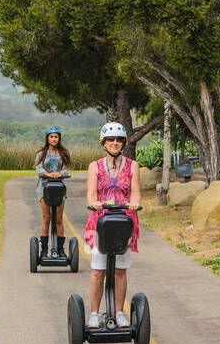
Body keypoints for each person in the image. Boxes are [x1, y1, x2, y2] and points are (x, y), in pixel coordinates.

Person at [85, 121, 142, 327]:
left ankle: (119, 312)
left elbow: (135, 194)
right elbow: (91, 195)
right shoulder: (95, 166)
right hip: (101, 222)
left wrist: (135, 203)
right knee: (98, 271)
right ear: (104, 142)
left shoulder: (132, 165)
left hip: (124, 223)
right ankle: (93, 313)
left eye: (119, 139)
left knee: (120, 270)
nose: (115, 143)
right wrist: (95, 203)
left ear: (123, 142)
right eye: (111, 139)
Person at [34, 127, 71, 256]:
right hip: (44, 187)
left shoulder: (64, 153)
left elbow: (66, 170)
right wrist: (48, 174)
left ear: (59, 138)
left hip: (59, 188)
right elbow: (38, 169)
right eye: (51, 136)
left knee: (59, 219)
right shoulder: (41, 153)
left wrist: (58, 174)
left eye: (56, 136)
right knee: (46, 218)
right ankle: (44, 250)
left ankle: (60, 250)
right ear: (47, 138)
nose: (54, 139)